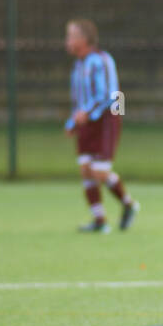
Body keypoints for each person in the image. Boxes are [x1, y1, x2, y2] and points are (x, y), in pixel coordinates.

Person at [63, 19, 138, 233]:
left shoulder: (102, 60)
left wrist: (86, 113)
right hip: (86, 122)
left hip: (106, 117)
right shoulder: (78, 65)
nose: (67, 41)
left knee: (99, 172)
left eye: (71, 36)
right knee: (86, 169)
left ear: (83, 39)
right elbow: (77, 99)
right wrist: (72, 122)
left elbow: (108, 94)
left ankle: (129, 205)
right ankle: (99, 220)